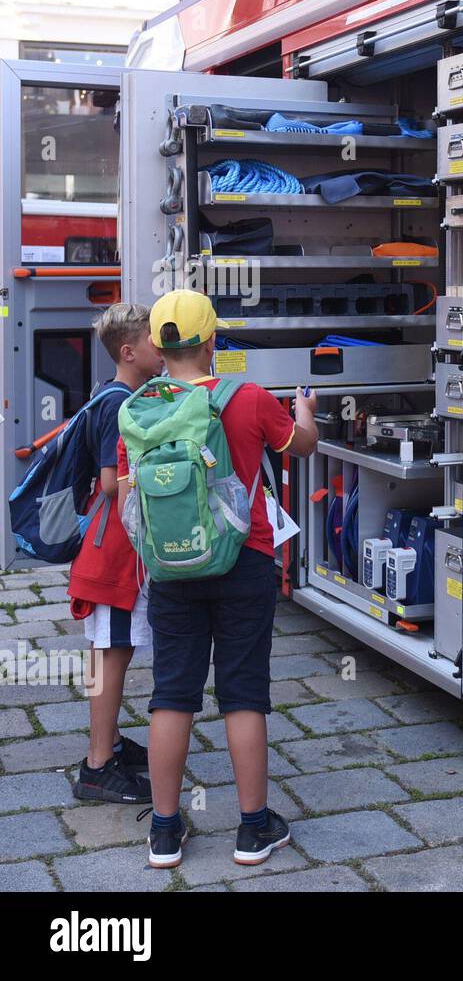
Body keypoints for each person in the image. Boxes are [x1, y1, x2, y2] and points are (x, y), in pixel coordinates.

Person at [117, 289, 318, 868]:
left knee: (171, 696)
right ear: (213, 342)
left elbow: (131, 505)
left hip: (171, 569)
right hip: (245, 561)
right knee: (244, 691)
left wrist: (165, 557)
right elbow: (302, 446)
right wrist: (304, 411)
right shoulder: (249, 398)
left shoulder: (139, 409)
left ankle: (163, 831)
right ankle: (253, 829)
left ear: (156, 346)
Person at [69, 304, 164, 805]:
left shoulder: (114, 395)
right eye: (154, 339)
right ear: (129, 352)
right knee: (110, 651)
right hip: (113, 552)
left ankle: (109, 746)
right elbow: (111, 482)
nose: (162, 346)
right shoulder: (119, 404)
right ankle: (97, 766)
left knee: (112, 650)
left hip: (111, 548)